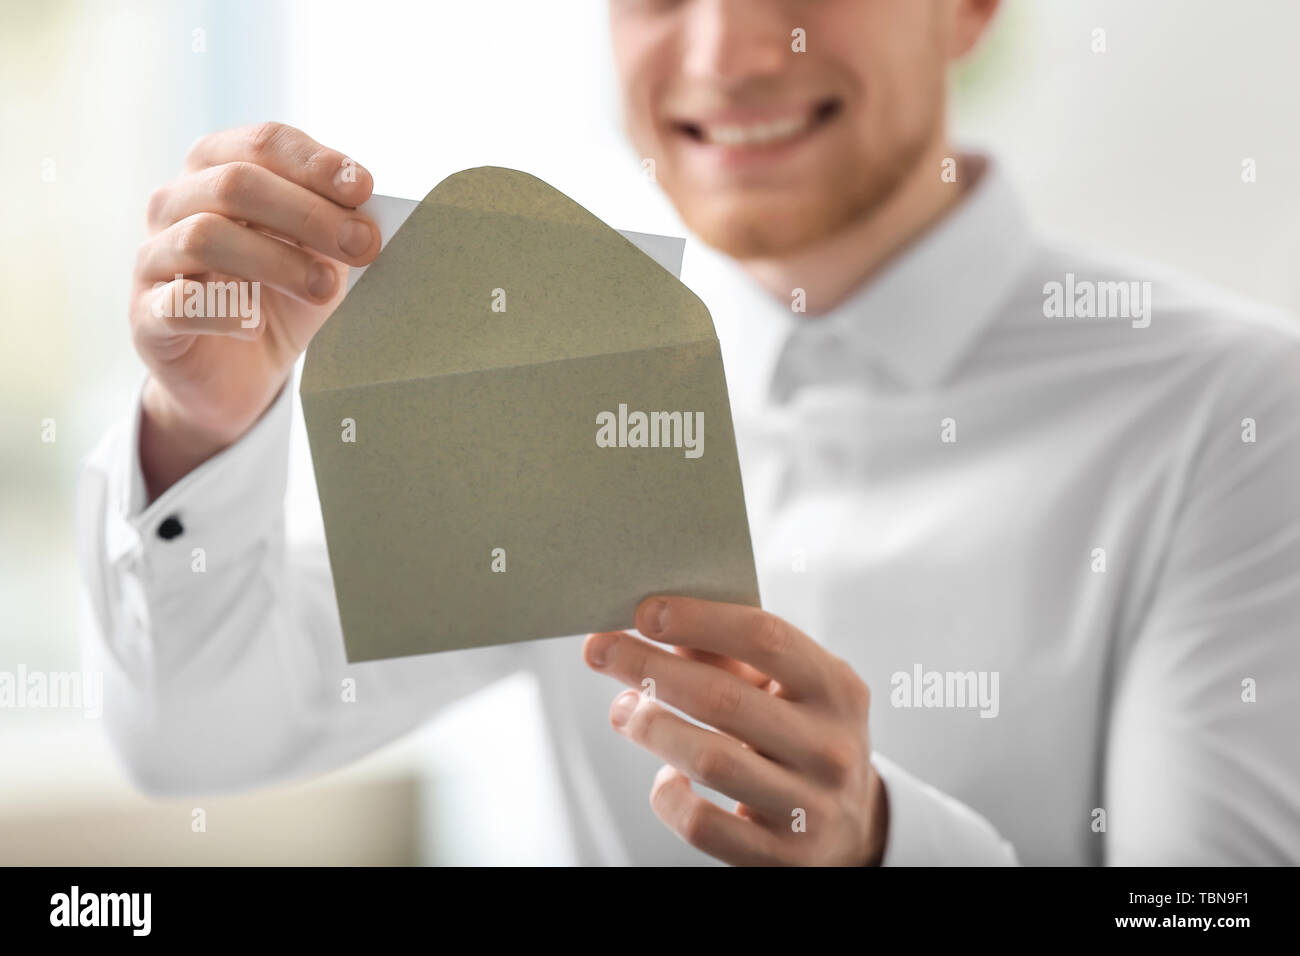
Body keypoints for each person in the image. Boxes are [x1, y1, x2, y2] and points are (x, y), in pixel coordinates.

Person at [78, 0, 1300, 865]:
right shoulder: (543, 381)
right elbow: (191, 737)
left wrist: (883, 851)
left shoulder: (1239, 415)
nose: (727, 51)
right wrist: (203, 422)